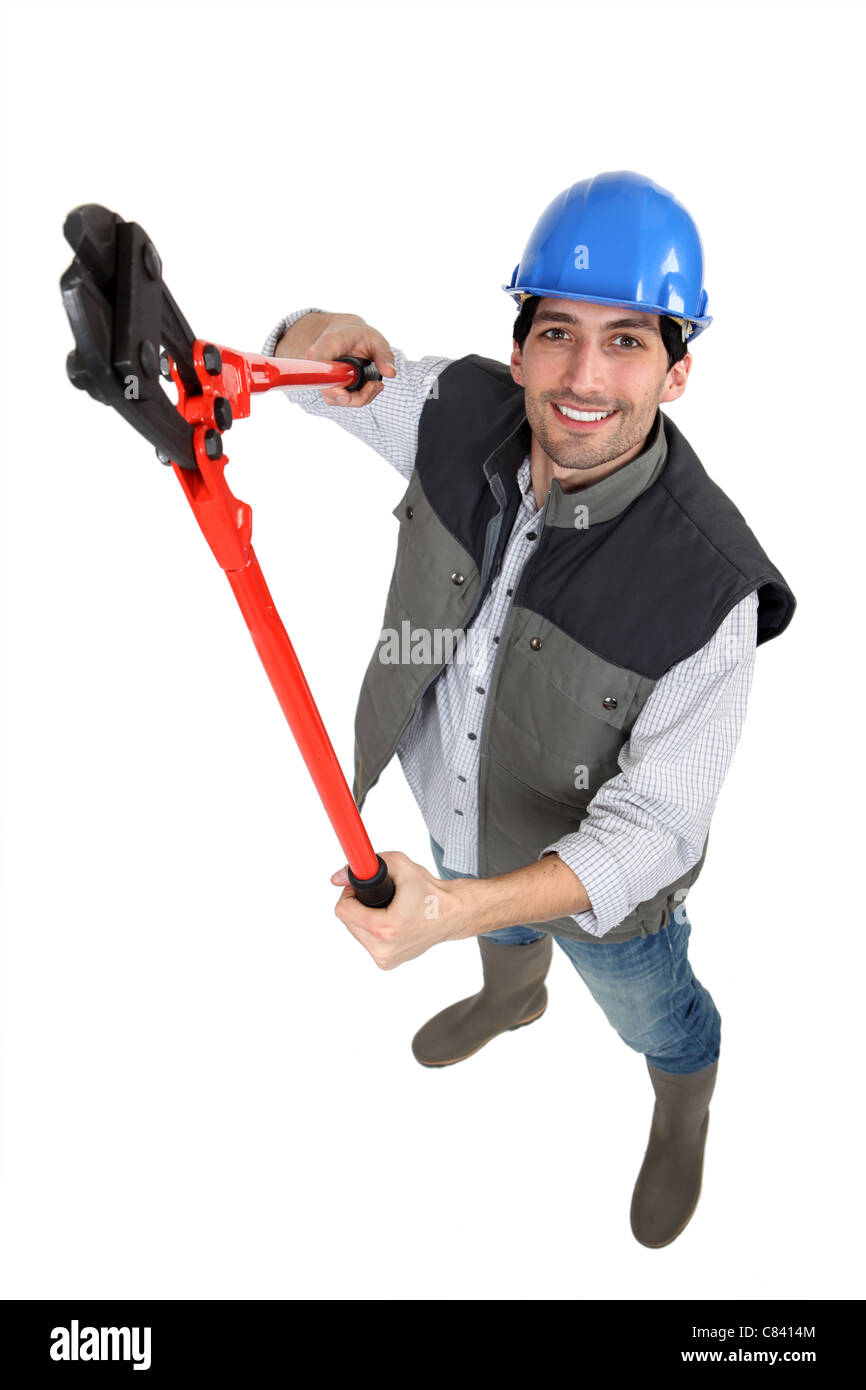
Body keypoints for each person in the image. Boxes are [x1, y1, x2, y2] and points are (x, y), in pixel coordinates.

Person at [262, 171, 796, 1248]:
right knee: (484, 911)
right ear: (518, 349)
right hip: (455, 835)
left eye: (626, 342)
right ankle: (512, 996)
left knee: (657, 1010)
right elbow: (307, 373)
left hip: (603, 903)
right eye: (556, 332)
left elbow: (651, 833)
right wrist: (317, 330)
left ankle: (681, 1102)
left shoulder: (710, 589)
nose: (582, 375)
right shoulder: (456, 411)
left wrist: (448, 911)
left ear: (677, 369)